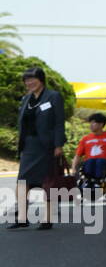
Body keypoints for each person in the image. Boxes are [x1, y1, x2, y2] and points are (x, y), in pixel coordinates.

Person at [9, 67, 66, 231]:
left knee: (47, 182)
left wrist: (58, 145)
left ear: (41, 79)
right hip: (29, 146)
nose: (29, 83)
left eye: (32, 79)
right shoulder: (26, 99)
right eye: (26, 80)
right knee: (22, 181)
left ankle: (47, 219)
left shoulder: (53, 96)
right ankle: (21, 218)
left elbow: (58, 123)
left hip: (46, 147)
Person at [73, 113, 106, 202]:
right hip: (90, 162)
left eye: (94, 123)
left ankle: (97, 183)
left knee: (99, 161)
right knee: (90, 161)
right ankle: (88, 182)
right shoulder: (86, 139)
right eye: (90, 123)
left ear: (101, 124)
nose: (91, 125)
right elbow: (77, 155)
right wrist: (73, 168)